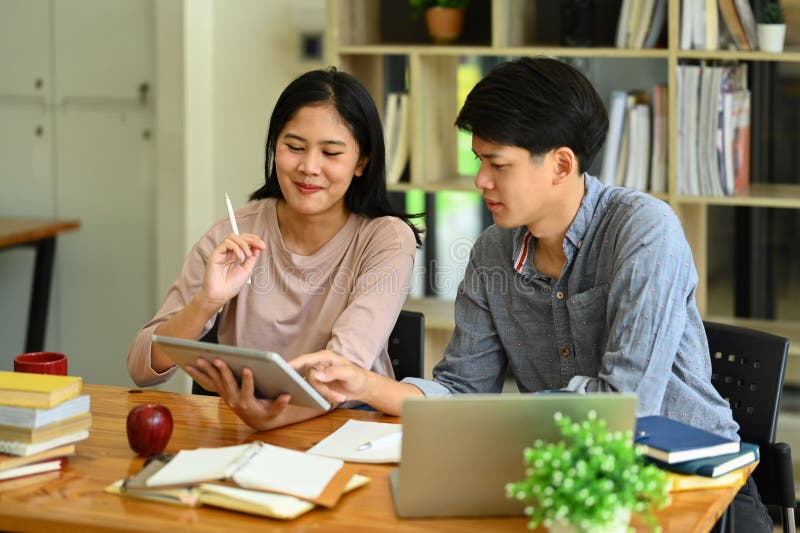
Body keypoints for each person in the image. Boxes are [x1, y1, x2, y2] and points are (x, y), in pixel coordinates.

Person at [289, 57, 772, 532]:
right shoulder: (492, 253)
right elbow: (462, 389)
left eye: (497, 164)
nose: (480, 180)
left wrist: (496, 420)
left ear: (561, 164)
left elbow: (625, 404)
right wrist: (365, 385)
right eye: (479, 160)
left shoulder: (644, 231)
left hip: (696, 487)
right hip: (563, 479)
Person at [127, 67, 422, 431]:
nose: (308, 167)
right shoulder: (235, 233)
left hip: (345, 430)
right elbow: (143, 367)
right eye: (294, 147)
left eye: (331, 153)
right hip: (243, 431)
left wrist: (267, 418)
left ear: (362, 162)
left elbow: (340, 371)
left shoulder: (385, 240)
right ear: (274, 146)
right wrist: (207, 302)